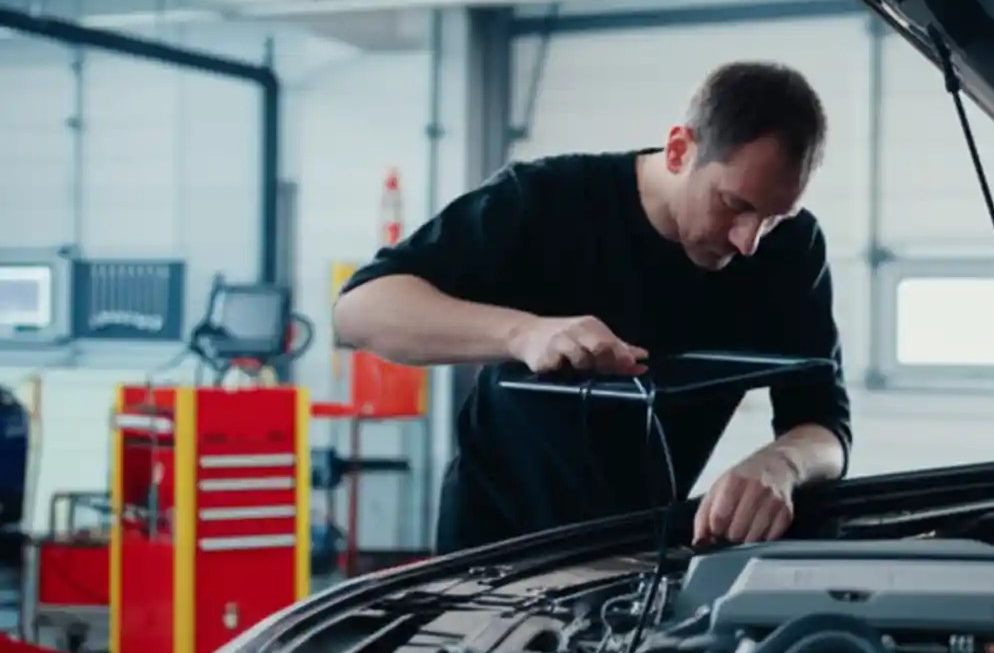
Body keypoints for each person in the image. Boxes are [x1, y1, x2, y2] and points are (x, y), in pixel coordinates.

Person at [333, 60, 852, 555]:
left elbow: (825, 424)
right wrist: (522, 333)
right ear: (679, 150)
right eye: (734, 205)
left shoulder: (794, 249)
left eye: (775, 217)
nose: (750, 242)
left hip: (640, 551)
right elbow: (359, 309)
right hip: (497, 551)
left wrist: (782, 465)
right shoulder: (545, 200)